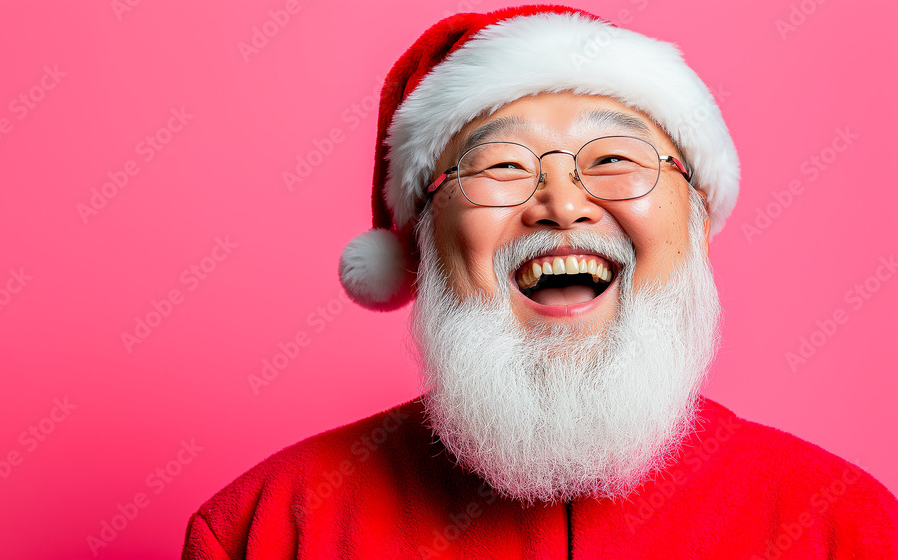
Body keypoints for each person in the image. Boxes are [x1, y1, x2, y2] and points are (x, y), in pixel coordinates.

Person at [182, 6, 897, 558]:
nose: (560, 202)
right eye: (501, 166)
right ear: (424, 242)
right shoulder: (268, 528)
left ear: (699, 221)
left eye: (615, 157)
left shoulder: (846, 526)